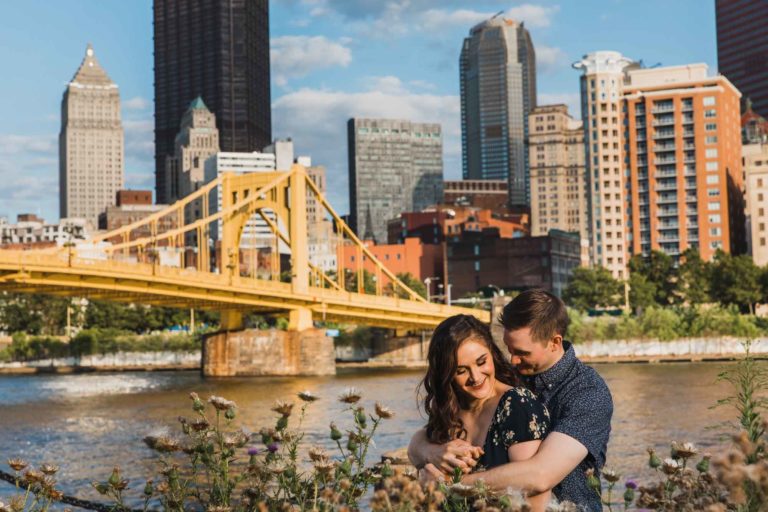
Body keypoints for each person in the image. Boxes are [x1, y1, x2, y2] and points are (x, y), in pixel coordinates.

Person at [409, 289, 613, 512]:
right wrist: (431, 452)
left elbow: (540, 475)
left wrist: (449, 486)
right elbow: (423, 436)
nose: (513, 360)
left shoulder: (588, 393)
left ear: (554, 342)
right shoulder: (509, 375)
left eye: (522, 352)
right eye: (509, 349)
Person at [415, 314, 553, 510]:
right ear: (446, 374)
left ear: (492, 353)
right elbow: (417, 445)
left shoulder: (517, 404)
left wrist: (448, 486)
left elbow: (536, 499)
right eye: (461, 370)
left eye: (481, 362)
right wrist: (430, 454)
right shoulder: (450, 408)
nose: (476, 377)